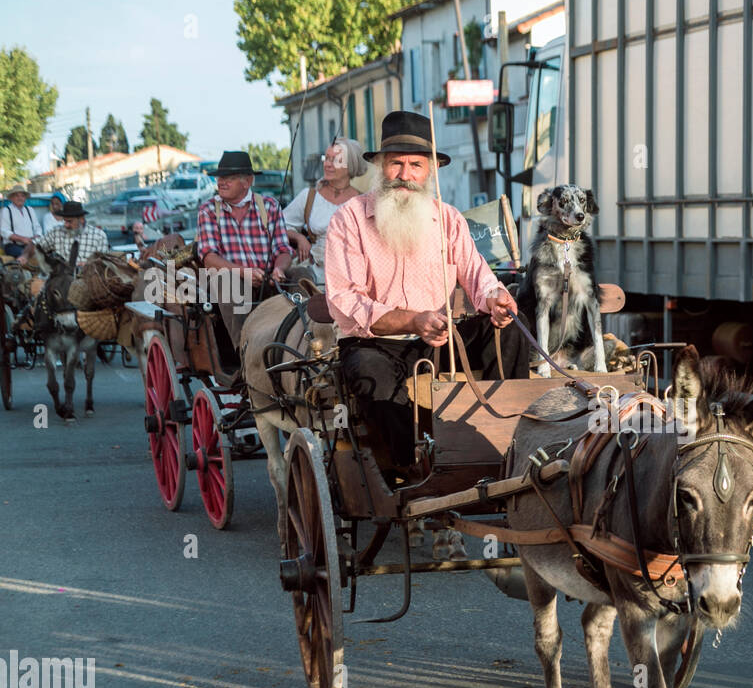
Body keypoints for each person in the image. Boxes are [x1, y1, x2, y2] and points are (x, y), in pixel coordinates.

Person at [325, 110, 527, 472]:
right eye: (396, 164)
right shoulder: (349, 219)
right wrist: (412, 319)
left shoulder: (448, 218)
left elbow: (477, 275)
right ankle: (413, 474)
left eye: (416, 165)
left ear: (429, 170)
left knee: (509, 325)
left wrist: (495, 298)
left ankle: (506, 446)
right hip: (375, 343)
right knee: (370, 376)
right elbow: (345, 301)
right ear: (380, 166)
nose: (405, 175)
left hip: (438, 336)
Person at [195, 150, 292, 344]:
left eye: (228, 178)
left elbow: (283, 249)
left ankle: (306, 344)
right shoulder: (209, 210)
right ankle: (244, 353)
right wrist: (245, 273)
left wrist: (279, 269)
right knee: (230, 283)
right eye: (220, 177)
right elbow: (209, 257)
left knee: (303, 276)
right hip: (230, 282)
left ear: (247, 181)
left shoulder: (270, 206)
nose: (221, 182)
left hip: (268, 279)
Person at [283, 138, 365, 286]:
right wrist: (299, 237)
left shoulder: (362, 202)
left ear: (350, 165)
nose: (327, 164)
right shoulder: (310, 196)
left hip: (351, 279)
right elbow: (278, 226)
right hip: (314, 277)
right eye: (326, 158)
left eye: (335, 160)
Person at [30, 200, 109, 272]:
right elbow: (36, 244)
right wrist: (24, 256)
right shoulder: (57, 232)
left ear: (81, 219)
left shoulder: (99, 236)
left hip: (87, 279)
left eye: (69, 221)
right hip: (61, 279)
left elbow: (104, 263)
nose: (66, 225)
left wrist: (88, 265)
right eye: (64, 221)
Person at [0, 186, 42, 260]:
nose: (20, 198)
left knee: (44, 255)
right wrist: (22, 239)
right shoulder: (6, 211)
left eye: (22, 196)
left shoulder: (30, 210)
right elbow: (4, 231)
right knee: (26, 255)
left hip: (31, 244)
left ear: (25, 198)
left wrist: (36, 236)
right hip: (13, 245)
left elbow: (37, 227)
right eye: (17, 195)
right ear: (11, 198)